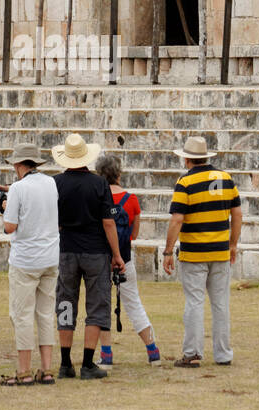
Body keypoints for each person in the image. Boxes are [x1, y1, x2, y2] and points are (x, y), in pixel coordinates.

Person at [162, 136, 241, 368]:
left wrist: (168, 251)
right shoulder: (226, 179)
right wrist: (233, 243)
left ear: (187, 159)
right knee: (220, 304)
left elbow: (177, 219)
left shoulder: (185, 183)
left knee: (194, 303)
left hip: (194, 252)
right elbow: (237, 214)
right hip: (219, 251)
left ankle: (193, 352)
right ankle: (223, 353)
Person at [52, 133, 124, 380]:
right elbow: (108, 223)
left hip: (66, 249)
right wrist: (116, 254)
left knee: (65, 301)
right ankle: (87, 363)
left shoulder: (56, 183)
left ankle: (64, 363)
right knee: (96, 304)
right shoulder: (99, 184)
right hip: (95, 250)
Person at [0, 145, 59, 386]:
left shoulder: (19, 189)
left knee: (21, 314)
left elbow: (10, 226)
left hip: (26, 259)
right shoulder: (50, 183)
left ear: (19, 164)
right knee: (44, 313)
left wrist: (4, 207)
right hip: (50, 256)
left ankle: (23, 370)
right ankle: (46, 369)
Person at [95, 154, 161, 366]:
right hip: (125, 259)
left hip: (101, 259)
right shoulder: (131, 200)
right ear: (119, 174)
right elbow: (134, 234)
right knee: (134, 304)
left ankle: (106, 355)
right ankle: (152, 351)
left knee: (101, 307)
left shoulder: (97, 197)